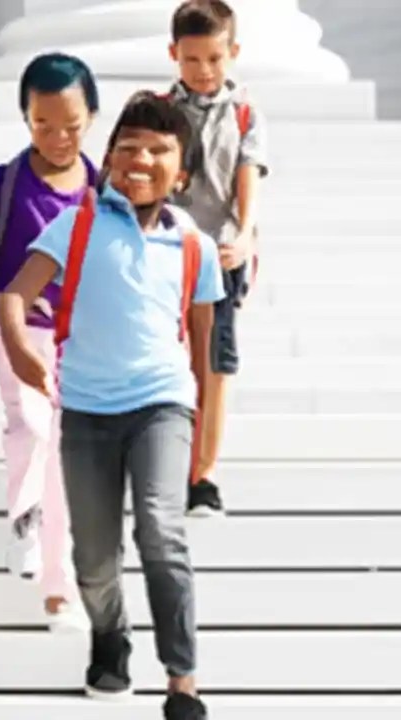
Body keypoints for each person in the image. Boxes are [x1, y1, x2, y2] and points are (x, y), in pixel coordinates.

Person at [0, 91, 224, 720]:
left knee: (161, 531)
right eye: (128, 149)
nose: (141, 161)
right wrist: (19, 345)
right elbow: (17, 295)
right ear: (107, 158)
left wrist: (205, 442)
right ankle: (110, 634)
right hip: (88, 412)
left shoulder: (194, 245)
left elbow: (204, 342)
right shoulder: (75, 225)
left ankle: (183, 681)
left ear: (182, 172)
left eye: (159, 152)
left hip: (162, 405)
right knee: (93, 558)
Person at [0, 51, 99, 630]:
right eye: (43, 125)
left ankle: (58, 576)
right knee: (29, 425)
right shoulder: (6, 182)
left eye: (71, 125)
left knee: (63, 449)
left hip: (78, 338)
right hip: (18, 331)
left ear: (92, 117)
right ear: (25, 118)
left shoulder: (101, 188)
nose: (58, 137)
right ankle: (22, 521)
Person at [166, 0, 270, 517]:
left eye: (214, 57)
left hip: (221, 255)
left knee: (213, 364)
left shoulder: (246, 114)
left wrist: (246, 235)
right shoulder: (161, 109)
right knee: (169, 360)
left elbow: (247, 175)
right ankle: (165, 465)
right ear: (174, 55)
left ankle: (202, 475)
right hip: (167, 256)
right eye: (192, 59)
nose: (203, 71)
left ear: (233, 53)